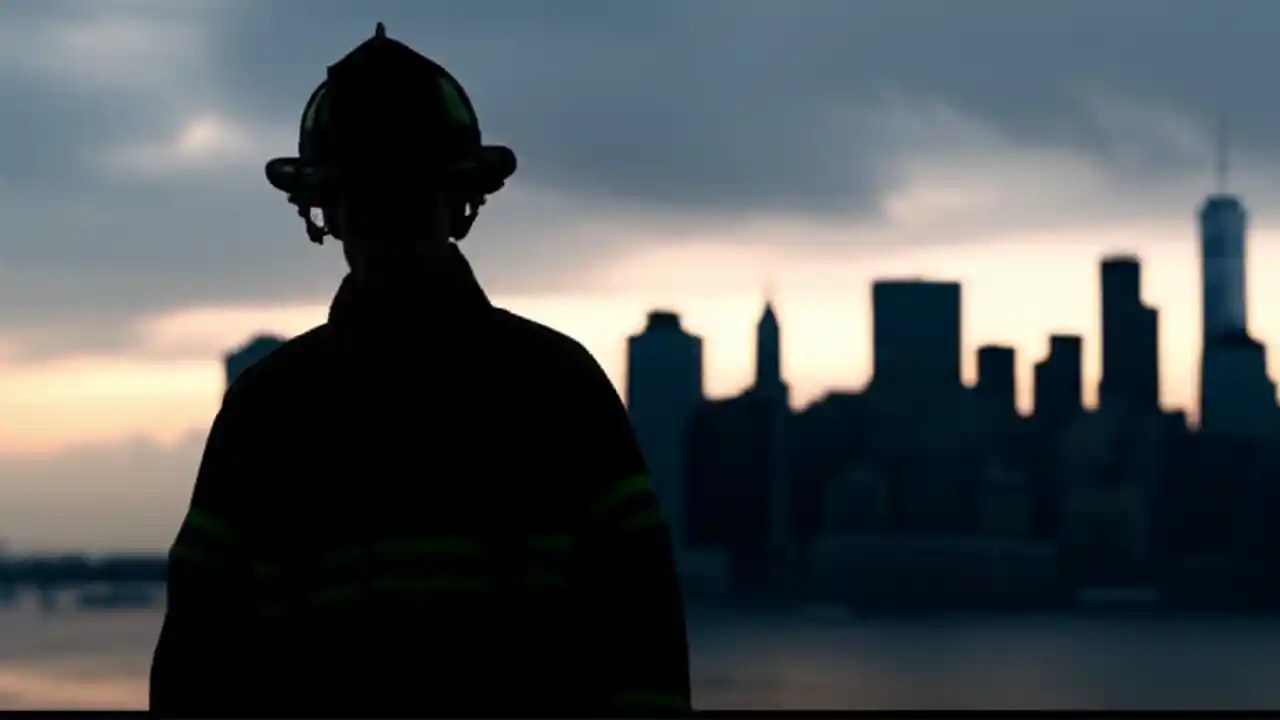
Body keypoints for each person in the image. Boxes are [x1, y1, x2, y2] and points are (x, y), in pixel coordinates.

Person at [149, 23, 691, 717]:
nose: (386, 222)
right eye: (374, 198)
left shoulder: (268, 408)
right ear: (461, 200)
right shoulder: (560, 388)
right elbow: (646, 647)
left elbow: (195, 669)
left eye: (397, 196)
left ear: (324, 211)